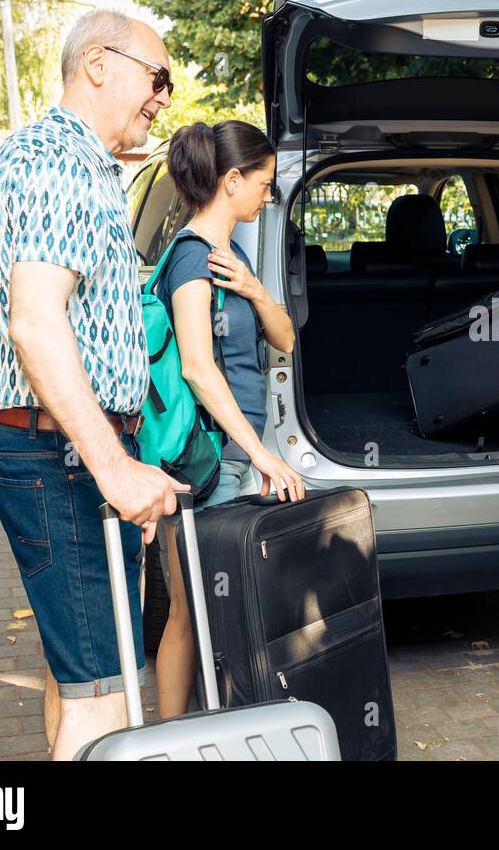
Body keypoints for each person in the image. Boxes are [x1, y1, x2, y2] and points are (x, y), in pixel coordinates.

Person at [0, 9, 186, 760]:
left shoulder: (46, 156)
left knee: (77, 679)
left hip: (52, 451)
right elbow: (35, 323)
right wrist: (114, 468)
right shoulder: (61, 163)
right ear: (97, 63)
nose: (163, 97)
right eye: (157, 77)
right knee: (107, 705)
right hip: (56, 458)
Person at [153, 120, 305, 719]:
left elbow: (287, 341)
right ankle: (170, 738)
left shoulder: (230, 257)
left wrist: (257, 291)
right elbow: (196, 367)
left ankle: (219, 727)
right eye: (264, 185)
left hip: (237, 455)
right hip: (207, 460)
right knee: (190, 613)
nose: (268, 197)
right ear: (232, 181)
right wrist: (263, 454)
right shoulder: (190, 261)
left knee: (213, 610)